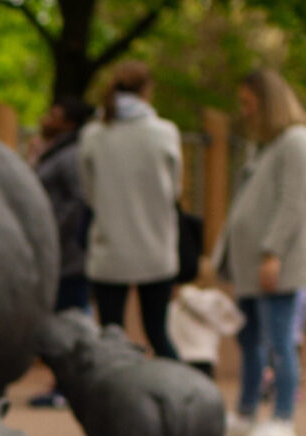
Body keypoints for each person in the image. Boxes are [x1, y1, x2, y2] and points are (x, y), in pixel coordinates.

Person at [216, 67, 306, 436]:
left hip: (276, 262)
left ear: (269, 103)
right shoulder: (263, 145)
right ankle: (246, 412)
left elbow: (293, 203)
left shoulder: (297, 141)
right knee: (249, 340)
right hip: (251, 262)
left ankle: (282, 418)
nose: (244, 111)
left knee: (280, 340)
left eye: (250, 104)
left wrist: (272, 252)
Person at [78, 61, 183, 361]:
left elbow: (88, 192)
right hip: (156, 248)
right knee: (158, 334)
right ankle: (180, 398)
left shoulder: (94, 134)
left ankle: (114, 404)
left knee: (112, 339)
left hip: (109, 248)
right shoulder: (165, 133)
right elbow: (174, 191)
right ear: (147, 90)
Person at [29, 96, 94, 408]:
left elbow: (77, 201)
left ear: (70, 122)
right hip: (59, 252)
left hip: (68, 254)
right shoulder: (57, 151)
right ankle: (65, 384)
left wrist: (51, 232)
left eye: (54, 112)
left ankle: (72, 385)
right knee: (65, 315)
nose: (46, 118)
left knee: (72, 317)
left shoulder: (70, 156)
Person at [170, 273, 244, 381]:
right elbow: (235, 322)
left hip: (179, 357)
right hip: (205, 358)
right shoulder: (216, 300)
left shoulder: (175, 304)